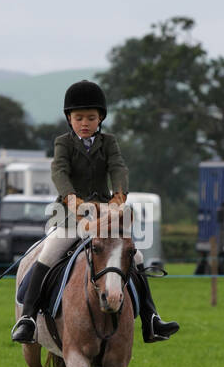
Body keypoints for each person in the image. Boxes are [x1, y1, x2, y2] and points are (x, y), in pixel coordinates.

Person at [11, 79, 179, 344]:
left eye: (91, 117)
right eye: (79, 118)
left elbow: (118, 168)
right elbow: (59, 171)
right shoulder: (63, 143)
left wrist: (119, 194)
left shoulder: (109, 142)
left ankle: (151, 319)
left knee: (137, 258)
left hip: (105, 216)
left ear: (100, 118)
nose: (85, 123)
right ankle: (28, 319)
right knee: (48, 254)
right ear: (70, 119)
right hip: (70, 216)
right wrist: (72, 198)